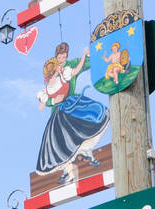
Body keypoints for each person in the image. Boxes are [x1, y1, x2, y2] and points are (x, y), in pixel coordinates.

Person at [36, 43, 109, 185]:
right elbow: (43, 102)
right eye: (59, 56)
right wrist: (51, 101)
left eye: (64, 56)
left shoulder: (67, 70)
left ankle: (90, 157)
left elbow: (79, 69)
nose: (62, 58)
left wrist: (86, 56)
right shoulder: (50, 82)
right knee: (60, 142)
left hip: (72, 105)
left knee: (81, 131)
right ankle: (67, 171)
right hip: (58, 113)